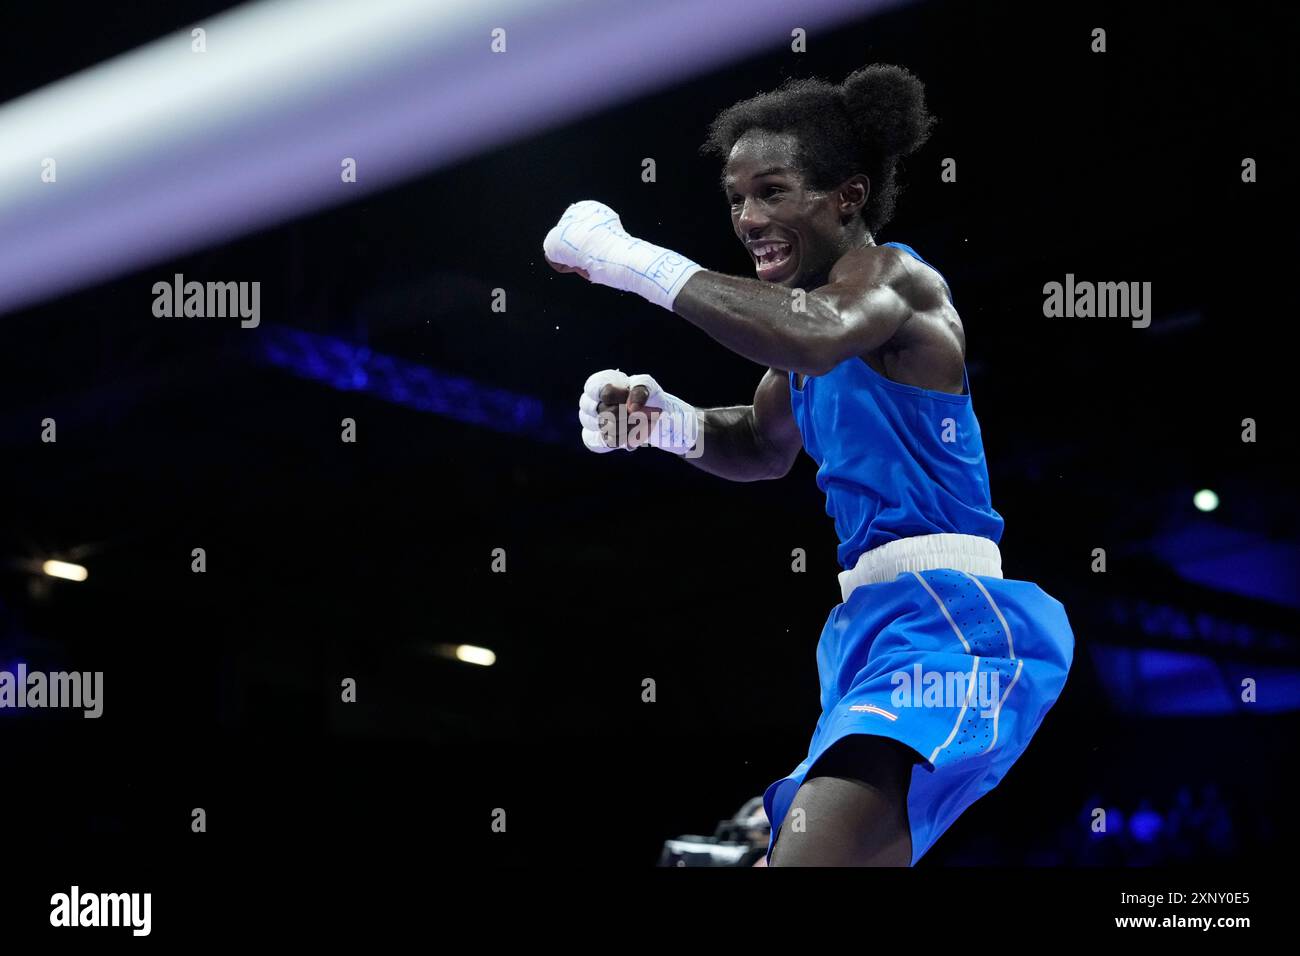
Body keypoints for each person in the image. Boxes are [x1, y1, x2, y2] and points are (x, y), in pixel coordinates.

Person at [543, 64, 1074, 866]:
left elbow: (815, 331)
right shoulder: (801, 354)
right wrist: (666, 424)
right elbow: (759, 445)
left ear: (847, 198)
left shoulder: (898, 282)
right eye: (735, 198)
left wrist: (629, 261)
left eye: (773, 192)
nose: (749, 217)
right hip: (868, 632)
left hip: (952, 626)